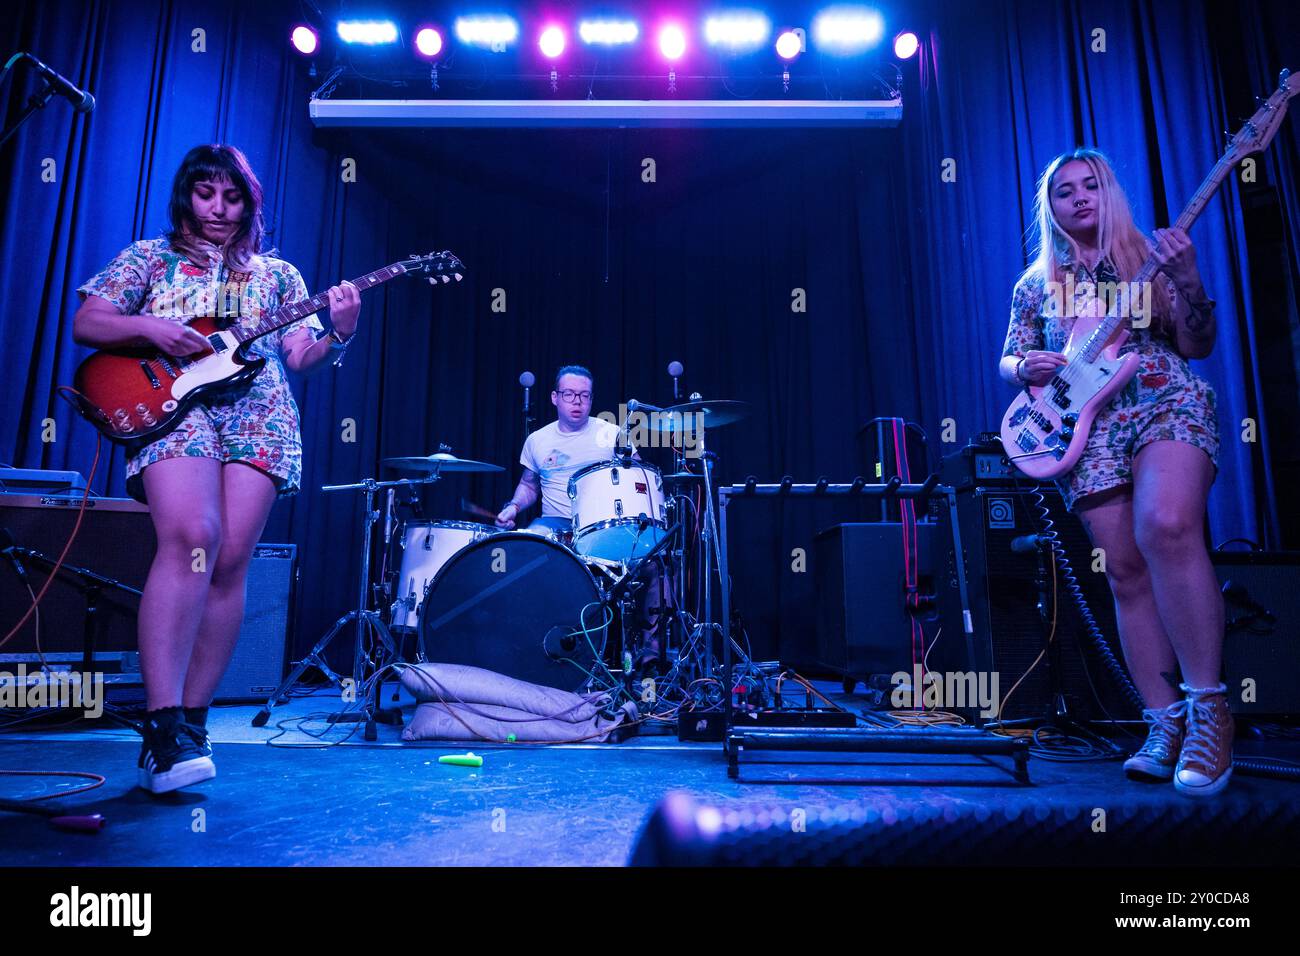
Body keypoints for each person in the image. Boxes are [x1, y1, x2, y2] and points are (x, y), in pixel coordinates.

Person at [72, 144, 361, 794]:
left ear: (249, 204)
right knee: (193, 539)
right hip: (174, 407)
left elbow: (300, 354)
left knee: (230, 561)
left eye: (232, 198)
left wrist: (339, 331)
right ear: (187, 196)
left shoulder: (279, 274)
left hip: (260, 415)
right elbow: (88, 321)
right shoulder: (151, 257)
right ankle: (161, 720)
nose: (219, 209)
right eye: (207, 195)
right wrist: (156, 328)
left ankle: (190, 726)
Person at [1000, 147, 1231, 797]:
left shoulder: (1149, 256)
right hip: (1086, 425)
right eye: (1063, 190)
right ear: (1049, 207)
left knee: (1167, 526)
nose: (1077, 197)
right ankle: (1164, 724)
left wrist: (1187, 282)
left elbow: (1197, 343)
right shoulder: (1036, 284)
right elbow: (1011, 358)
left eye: (1090, 185)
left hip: (1162, 398)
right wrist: (1029, 369)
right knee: (1126, 573)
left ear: (1110, 192)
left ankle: (1210, 711)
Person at [497, 366, 669, 665]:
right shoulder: (538, 440)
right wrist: (512, 507)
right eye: (569, 394)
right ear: (554, 397)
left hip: (601, 525)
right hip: (554, 524)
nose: (576, 401)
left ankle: (650, 651)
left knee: (654, 563)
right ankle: (525, 647)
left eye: (584, 395)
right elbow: (528, 485)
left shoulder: (611, 433)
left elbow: (639, 476)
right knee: (522, 549)